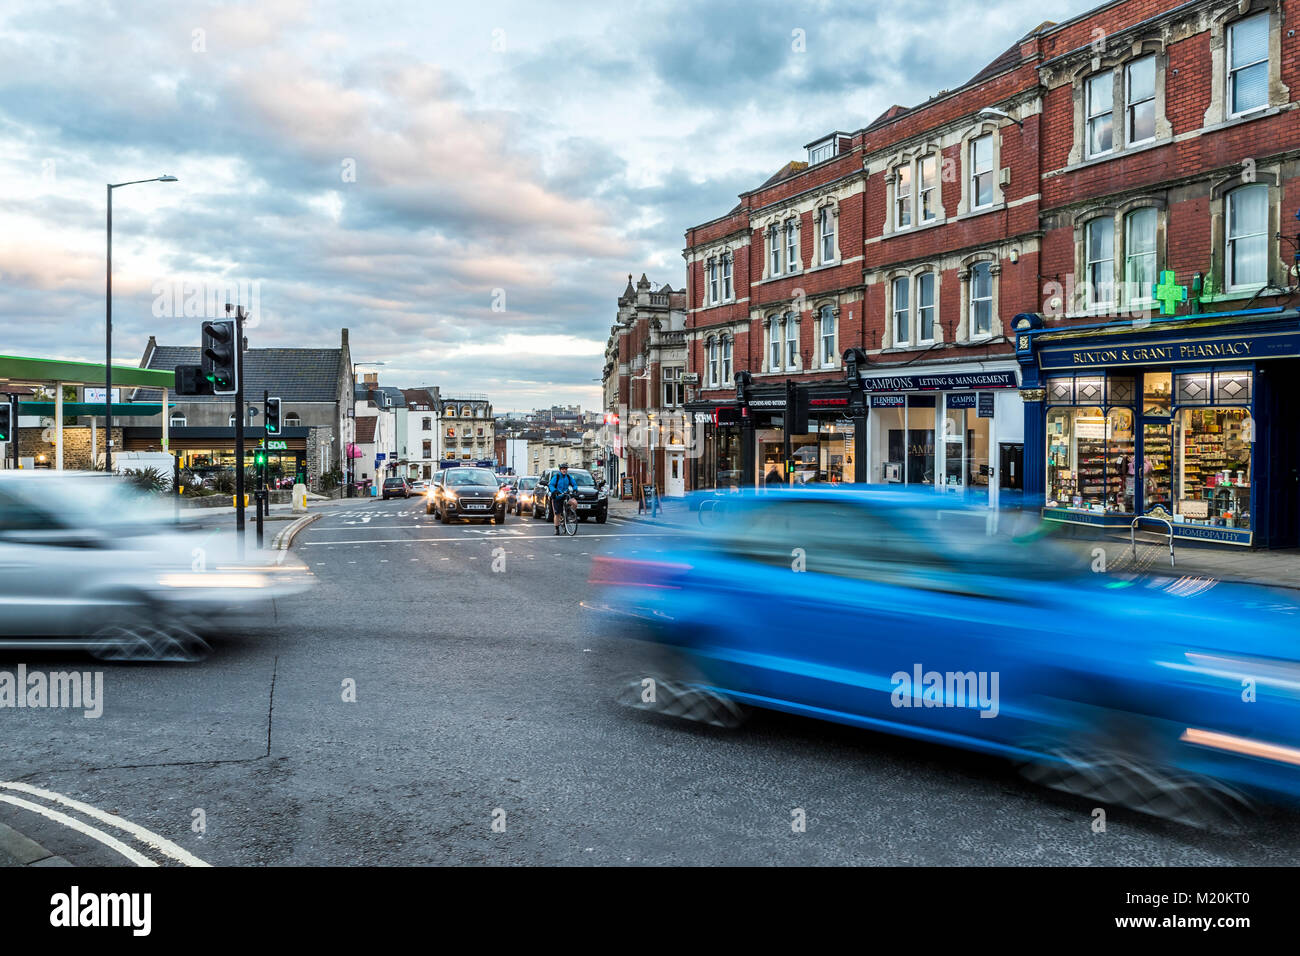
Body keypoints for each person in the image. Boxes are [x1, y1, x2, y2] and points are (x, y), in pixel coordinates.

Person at [549, 463, 577, 535]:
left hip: (565, 495)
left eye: (565, 469)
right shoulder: (557, 477)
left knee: (574, 502)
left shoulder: (568, 477)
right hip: (557, 496)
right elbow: (551, 485)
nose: (564, 470)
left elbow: (574, 484)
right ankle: (557, 529)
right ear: (560, 470)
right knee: (557, 514)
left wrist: (575, 489)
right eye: (562, 469)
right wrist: (554, 491)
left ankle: (570, 515)